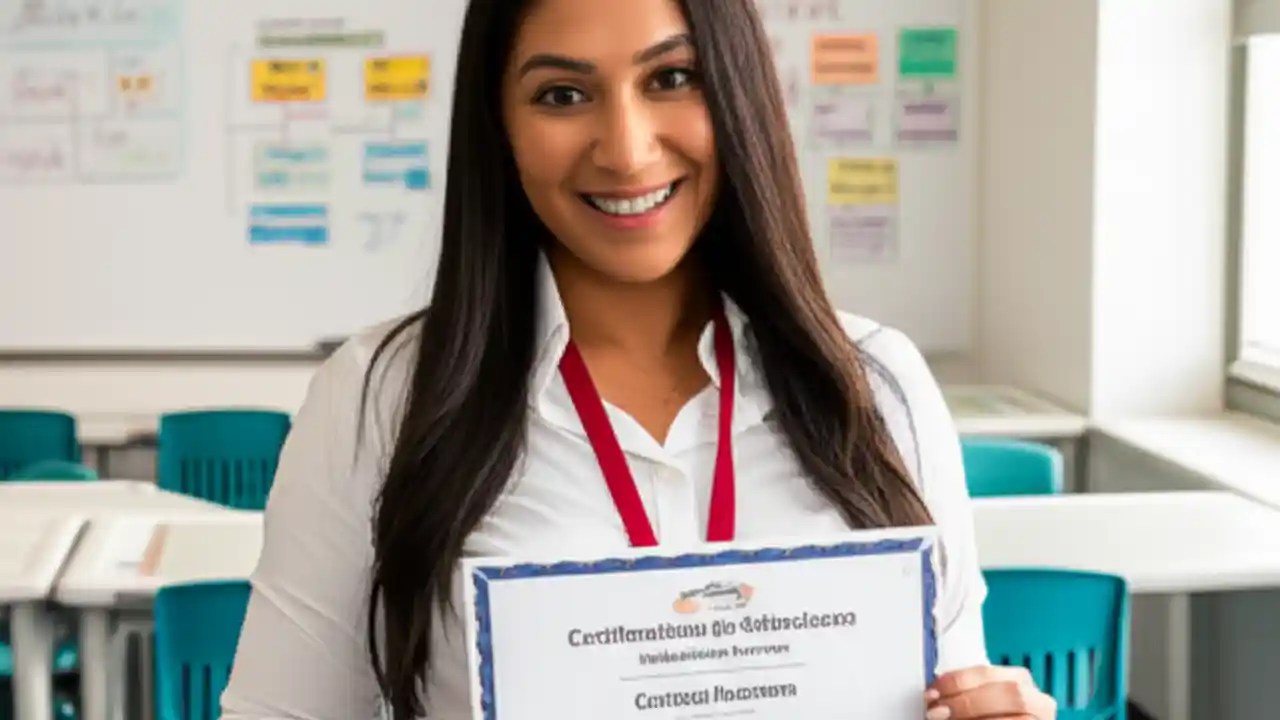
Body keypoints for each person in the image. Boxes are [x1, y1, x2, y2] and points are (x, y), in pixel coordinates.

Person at [221, 0, 1057, 718]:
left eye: (671, 78)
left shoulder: (877, 383)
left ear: (737, 92)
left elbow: (947, 686)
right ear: (500, 127)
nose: (625, 150)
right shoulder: (385, 396)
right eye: (562, 94)